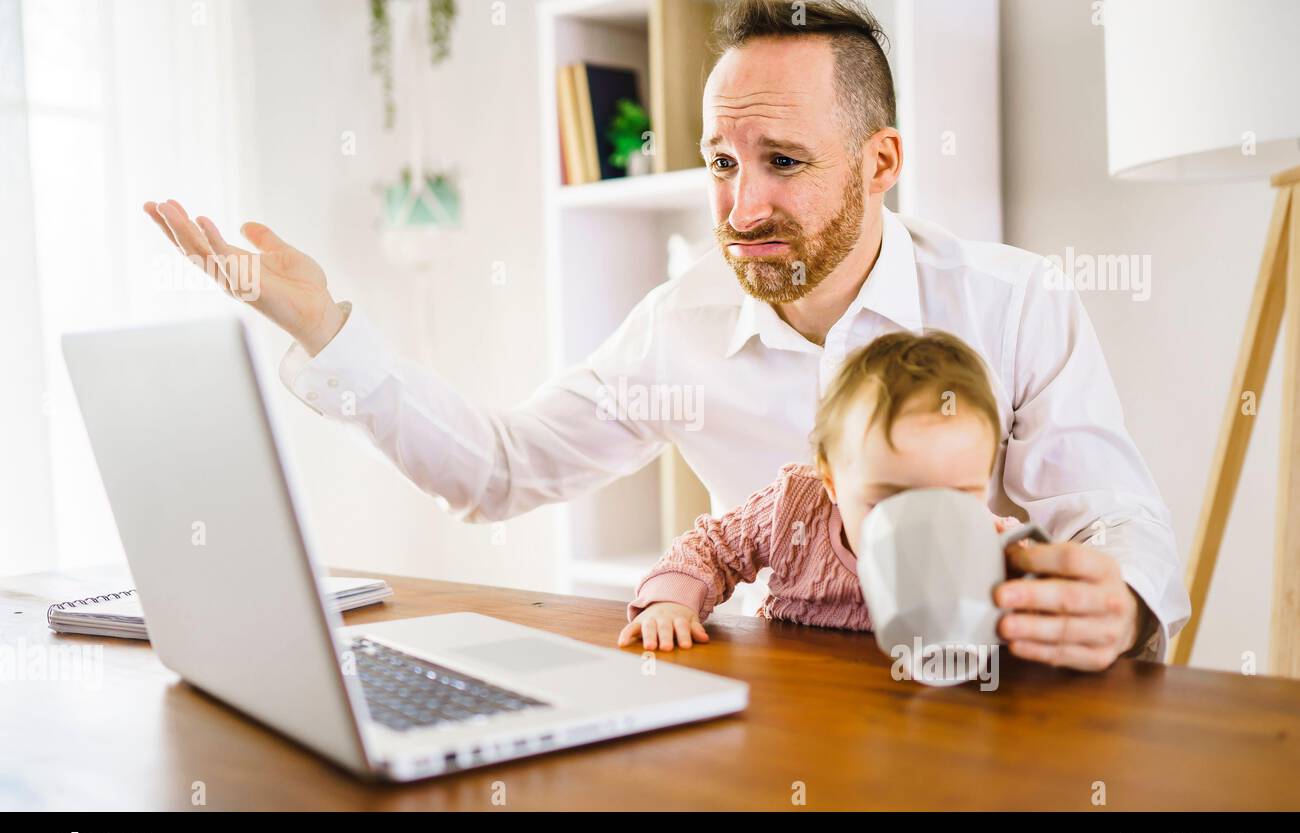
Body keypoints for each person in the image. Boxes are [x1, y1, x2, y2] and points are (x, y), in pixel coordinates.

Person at [142, 0, 1188, 670]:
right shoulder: (676, 327)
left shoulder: (1017, 301)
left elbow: (1114, 519)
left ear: (880, 163)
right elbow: (499, 472)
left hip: (993, 725)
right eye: (721, 162)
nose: (735, 209)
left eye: (781, 159)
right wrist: (324, 328)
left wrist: (1127, 606)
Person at [619, 329, 1043, 652]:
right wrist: (671, 603)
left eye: (957, 497)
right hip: (797, 696)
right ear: (831, 478)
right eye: (889, 500)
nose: (927, 520)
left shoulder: (992, 544)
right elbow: (711, 547)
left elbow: (1037, 621)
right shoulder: (795, 508)